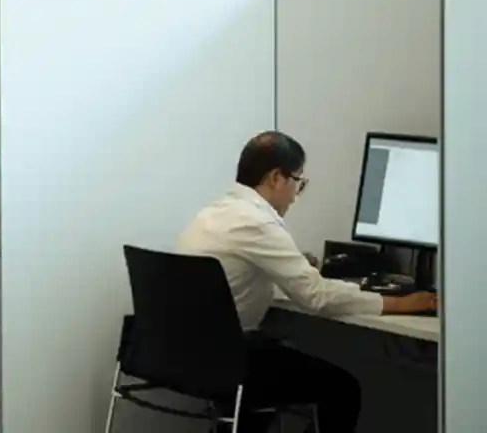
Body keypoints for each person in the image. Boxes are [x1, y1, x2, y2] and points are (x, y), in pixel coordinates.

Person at [178, 131, 437, 432]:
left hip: (184, 358)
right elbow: (317, 296)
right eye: (298, 182)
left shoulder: (214, 213)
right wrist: (402, 303)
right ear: (277, 177)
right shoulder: (258, 222)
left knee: (264, 385)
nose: (296, 194)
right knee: (342, 389)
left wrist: (293, 264)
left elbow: (239, 269)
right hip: (225, 363)